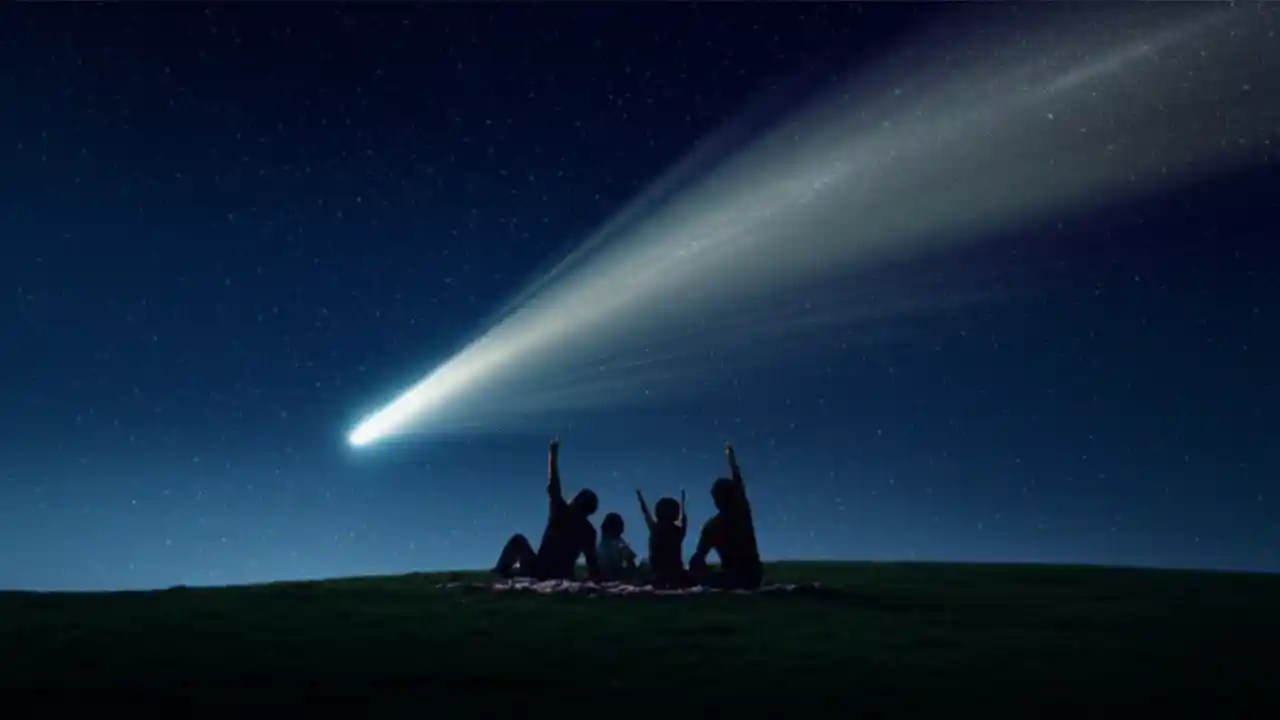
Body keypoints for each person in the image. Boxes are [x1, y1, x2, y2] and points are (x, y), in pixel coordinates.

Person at [494, 439, 601, 581]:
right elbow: (592, 563)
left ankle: (499, 573)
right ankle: (507, 573)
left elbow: (553, 486)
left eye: (578, 497)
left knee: (518, 540)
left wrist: (553, 455)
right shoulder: (589, 531)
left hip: (539, 570)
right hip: (560, 574)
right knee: (519, 555)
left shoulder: (562, 512)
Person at [689, 443, 763, 589]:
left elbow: (698, 559)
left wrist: (731, 459)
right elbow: (698, 558)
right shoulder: (741, 513)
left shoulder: (714, 525)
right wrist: (731, 458)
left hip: (734, 577)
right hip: (750, 576)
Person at [636, 487, 689, 588]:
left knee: (643, 564)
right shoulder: (677, 531)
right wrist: (683, 503)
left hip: (657, 571)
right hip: (675, 570)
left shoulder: (656, 528)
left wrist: (640, 498)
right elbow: (684, 522)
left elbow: (646, 513)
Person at [597, 512, 638, 582]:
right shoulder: (619, 543)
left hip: (602, 576)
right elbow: (630, 557)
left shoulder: (601, 543)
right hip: (615, 576)